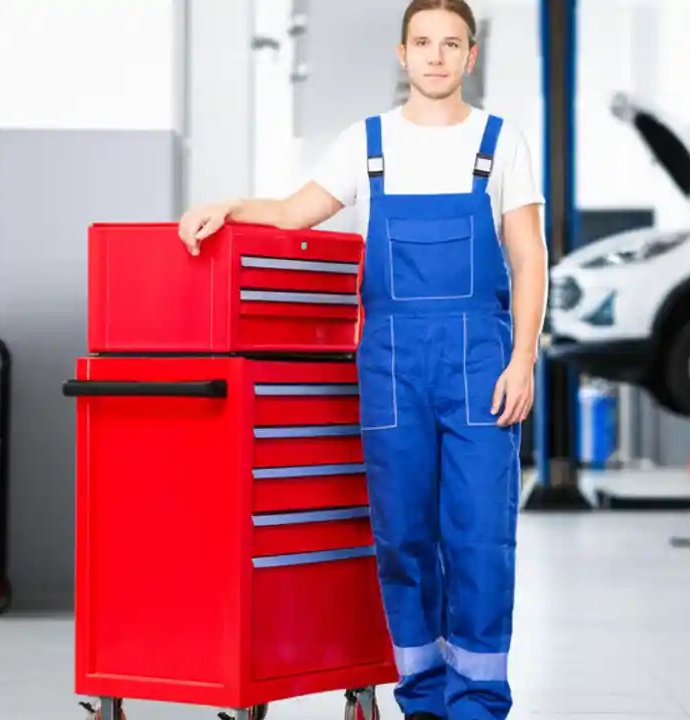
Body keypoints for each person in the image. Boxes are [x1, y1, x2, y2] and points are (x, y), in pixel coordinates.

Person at [177, 1, 546, 718]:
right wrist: (228, 206)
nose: (437, 56)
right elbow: (292, 213)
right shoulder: (366, 142)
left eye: (451, 44)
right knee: (403, 536)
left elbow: (530, 258)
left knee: (478, 540)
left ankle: (477, 702)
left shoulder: (501, 143)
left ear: (471, 57)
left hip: (479, 365)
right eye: (423, 43)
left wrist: (523, 358)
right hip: (391, 367)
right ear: (402, 54)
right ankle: (422, 698)